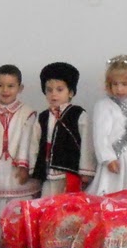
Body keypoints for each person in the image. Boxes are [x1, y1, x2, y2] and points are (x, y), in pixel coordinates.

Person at [0, 64, 39, 226]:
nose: (5, 90)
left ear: (20, 88)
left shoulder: (28, 113)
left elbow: (28, 141)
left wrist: (25, 166)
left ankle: (22, 244)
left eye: (11, 86)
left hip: (18, 167)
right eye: (0, 85)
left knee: (21, 207)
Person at [89, 54, 127, 196]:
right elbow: (100, 136)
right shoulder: (104, 106)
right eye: (115, 84)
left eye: (124, 84)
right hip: (114, 156)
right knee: (112, 188)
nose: (119, 88)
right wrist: (108, 158)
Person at [33, 61, 94, 197]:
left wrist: (86, 171)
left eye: (59, 90)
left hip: (69, 172)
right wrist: (34, 168)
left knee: (68, 207)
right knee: (48, 204)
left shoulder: (79, 114)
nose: (54, 94)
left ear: (70, 92)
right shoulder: (42, 117)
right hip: (48, 171)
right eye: (49, 90)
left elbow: (87, 144)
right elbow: (34, 144)